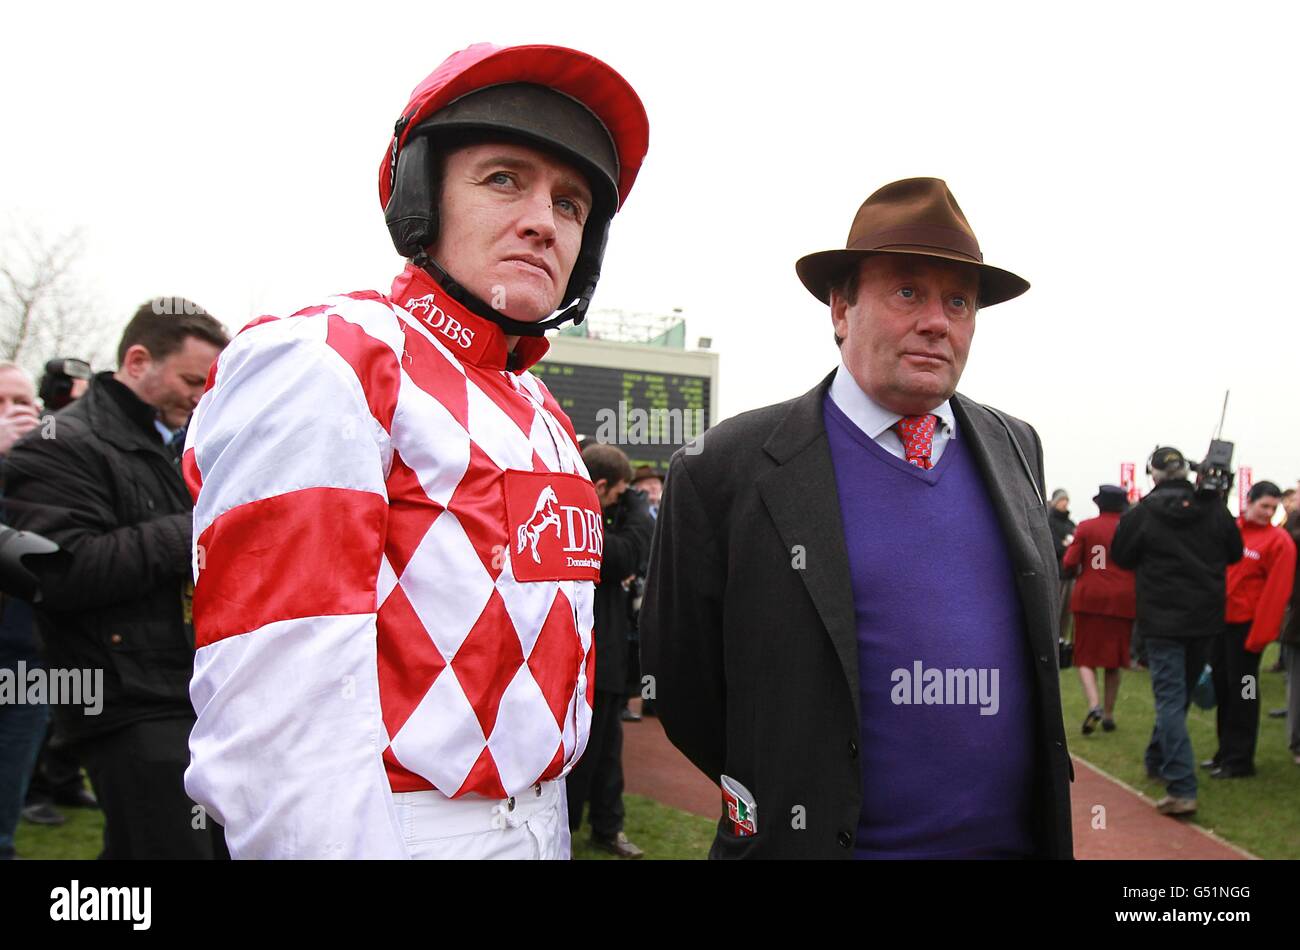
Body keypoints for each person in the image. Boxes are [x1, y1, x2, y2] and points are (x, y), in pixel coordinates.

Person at [182, 43, 649, 859]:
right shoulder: (327, 356)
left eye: (572, 204)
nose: (544, 219)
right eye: (505, 178)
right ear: (419, 194)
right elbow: (277, 722)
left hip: (540, 822)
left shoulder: (538, 405)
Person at [641, 177, 1073, 859]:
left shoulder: (1017, 444)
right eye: (908, 292)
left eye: (958, 301)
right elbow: (682, 679)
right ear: (841, 307)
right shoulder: (726, 465)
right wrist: (779, 788)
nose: (937, 320)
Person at [4, 306, 230, 858]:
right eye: (191, 380)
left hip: (183, 687)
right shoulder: (61, 444)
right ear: (137, 361)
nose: (202, 396)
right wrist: (196, 531)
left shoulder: (178, 443)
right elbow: (61, 571)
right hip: (121, 697)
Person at [1110, 446, 1242, 817]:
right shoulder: (1213, 506)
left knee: (1170, 698)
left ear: (1153, 474)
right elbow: (1235, 552)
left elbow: (1121, 556)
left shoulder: (1144, 512)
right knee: (1177, 697)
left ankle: (1182, 787)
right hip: (1205, 618)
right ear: (1187, 470)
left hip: (1162, 619)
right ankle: (1158, 760)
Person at [565, 444, 652, 857]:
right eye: (618, 493)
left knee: (607, 755)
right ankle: (563, 829)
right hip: (584, 660)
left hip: (603, 656)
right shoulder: (579, 518)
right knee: (581, 756)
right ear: (599, 487)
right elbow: (626, 553)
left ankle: (605, 827)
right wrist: (636, 506)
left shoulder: (596, 516)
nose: (622, 500)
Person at [1205, 481, 1295, 778]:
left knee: (1244, 692)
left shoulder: (1279, 541)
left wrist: (1259, 637)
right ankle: (1224, 751)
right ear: (1249, 501)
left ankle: (1240, 759)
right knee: (1223, 688)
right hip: (1221, 624)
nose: (1268, 513)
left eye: (1273, 508)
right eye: (1264, 506)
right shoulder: (1233, 531)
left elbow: (1276, 592)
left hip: (1247, 629)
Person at [0, 363, 51, 858]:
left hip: (27, 661)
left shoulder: (50, 466)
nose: (13, 414)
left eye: (22, 403)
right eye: (0, 404)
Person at [1062, 485, 1136, 734]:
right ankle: (1109, 713)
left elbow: (1070, 561)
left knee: (1084, 657)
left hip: (1090, 596)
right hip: (1122, 598)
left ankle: (1093, 704)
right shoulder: (1130, 527)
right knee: (1114, 660)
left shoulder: (1086, 527)